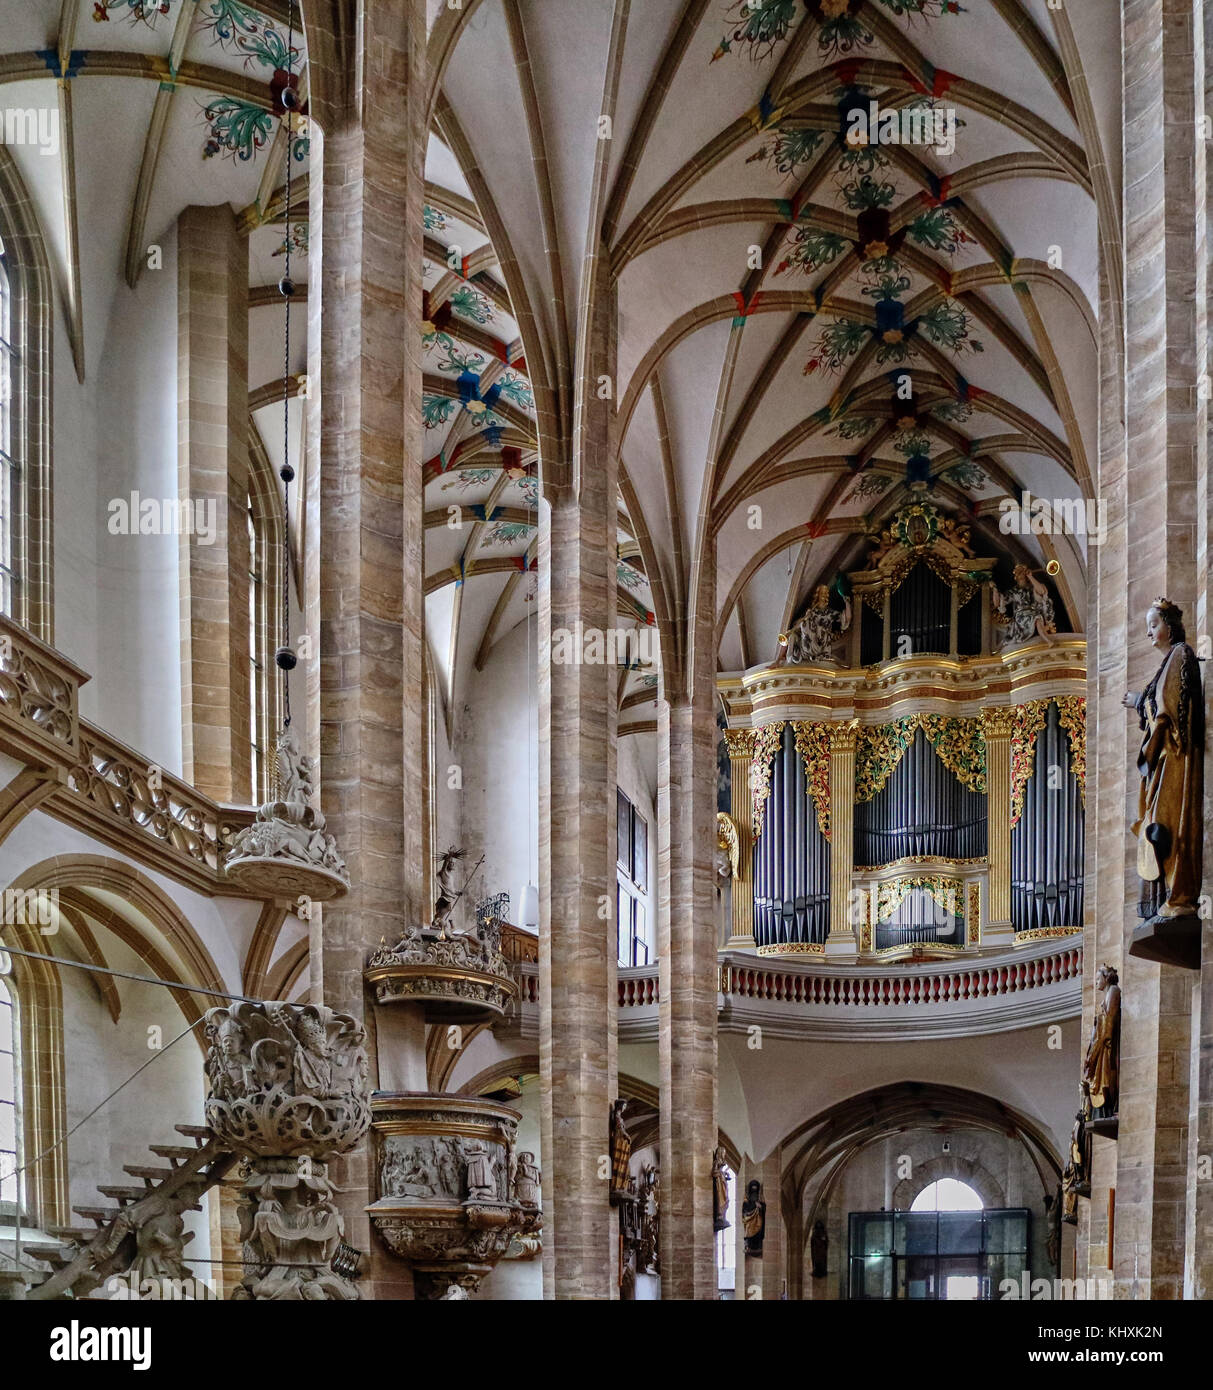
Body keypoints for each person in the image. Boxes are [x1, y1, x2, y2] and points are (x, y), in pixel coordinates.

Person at [1122, 599, 1203, 919]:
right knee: (1155, 827)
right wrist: (1141, 703)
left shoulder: (1181, 654)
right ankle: (1167, 893)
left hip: (1174, 755)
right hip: (1163, 759)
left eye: (1154, 625)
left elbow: (1167, 706)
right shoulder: (1169, 661)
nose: (1150, 634)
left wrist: (1140, 700)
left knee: (1168, 824)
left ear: (1170, 625)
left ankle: (1179, 892)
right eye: (1147, 629)